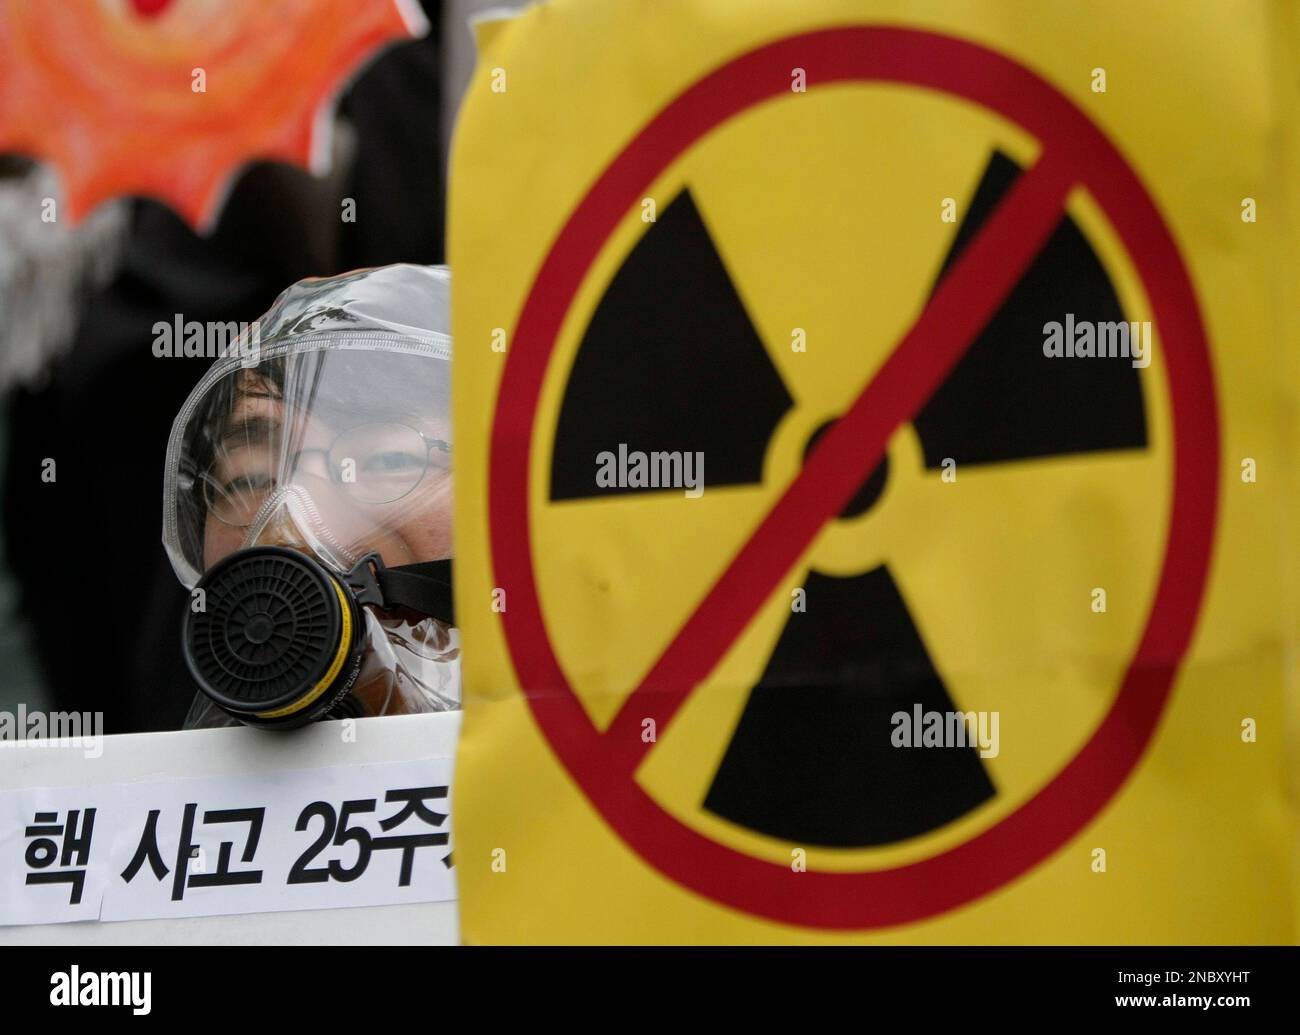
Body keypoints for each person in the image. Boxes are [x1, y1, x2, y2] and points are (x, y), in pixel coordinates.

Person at [162, 263, 458, 728]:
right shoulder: (146, 797)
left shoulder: (597, 785)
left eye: (388, 461)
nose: (291, 531)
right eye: (247, 480)